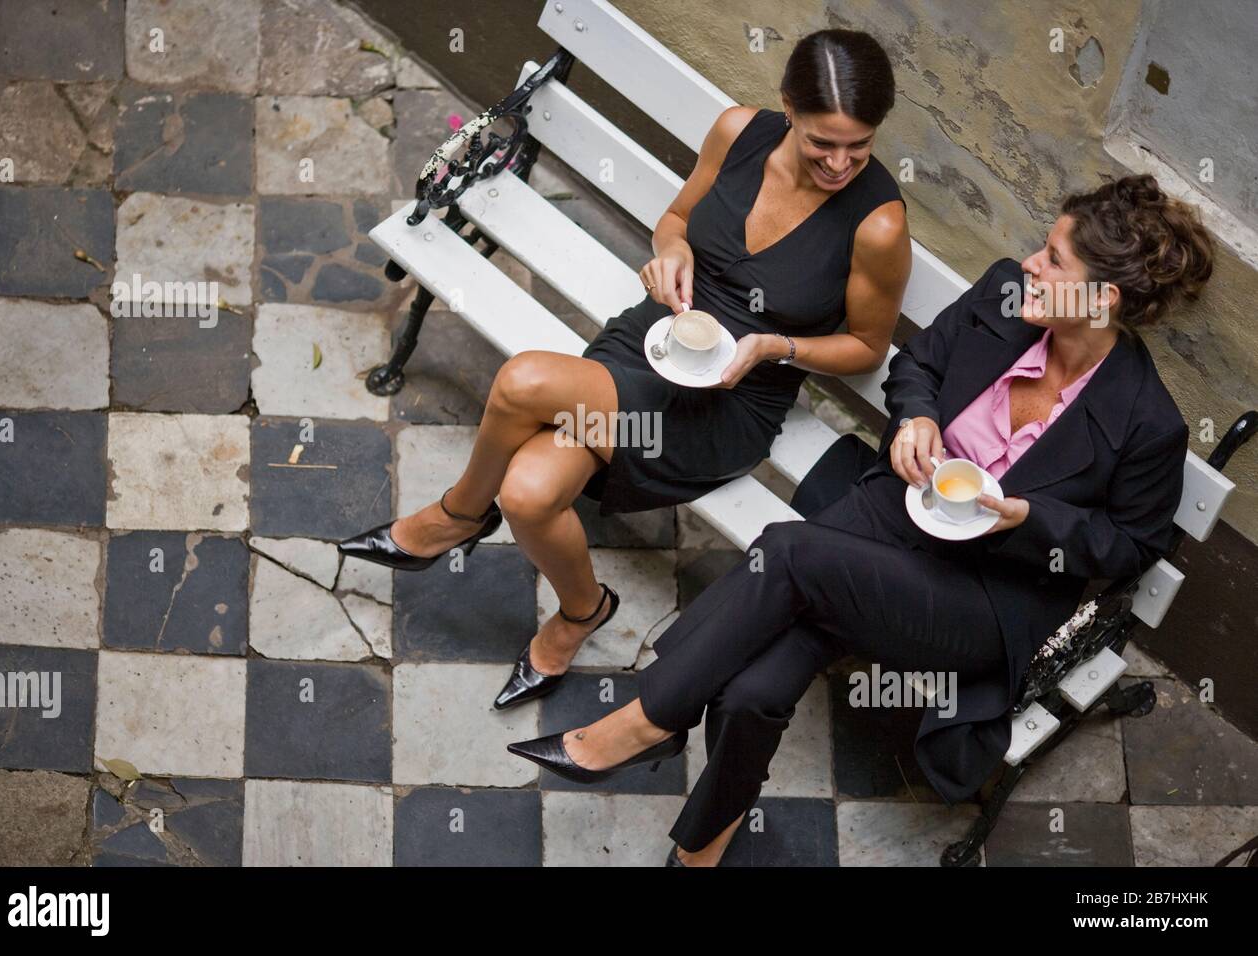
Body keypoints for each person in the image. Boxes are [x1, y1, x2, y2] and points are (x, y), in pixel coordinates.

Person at [508, 173, 1216, 866]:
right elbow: (919, 369)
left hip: (984, 597)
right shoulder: (1006, 293)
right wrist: (916, 419)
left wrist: (1026, 518)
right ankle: (704, 842)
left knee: (785, 553)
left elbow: (1129, 547)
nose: (1031, 262)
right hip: (896, 518)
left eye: (1053, 260)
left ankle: (646, 721)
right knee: (755, 686)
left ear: (1102, 297)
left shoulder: (1146, 421)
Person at [339, 30, 912, 710]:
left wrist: (775, 347)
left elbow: (868, 346)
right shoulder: (738, 132)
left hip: (729, 402)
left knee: (523, 382)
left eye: (860, 145)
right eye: (824, 142)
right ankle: (583, 610)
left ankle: (458, 514)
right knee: (525, 493)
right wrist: (670, 256)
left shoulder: (876, 225)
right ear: (788, 107)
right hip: (655, 342)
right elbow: (675, 219)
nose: (841, 163)